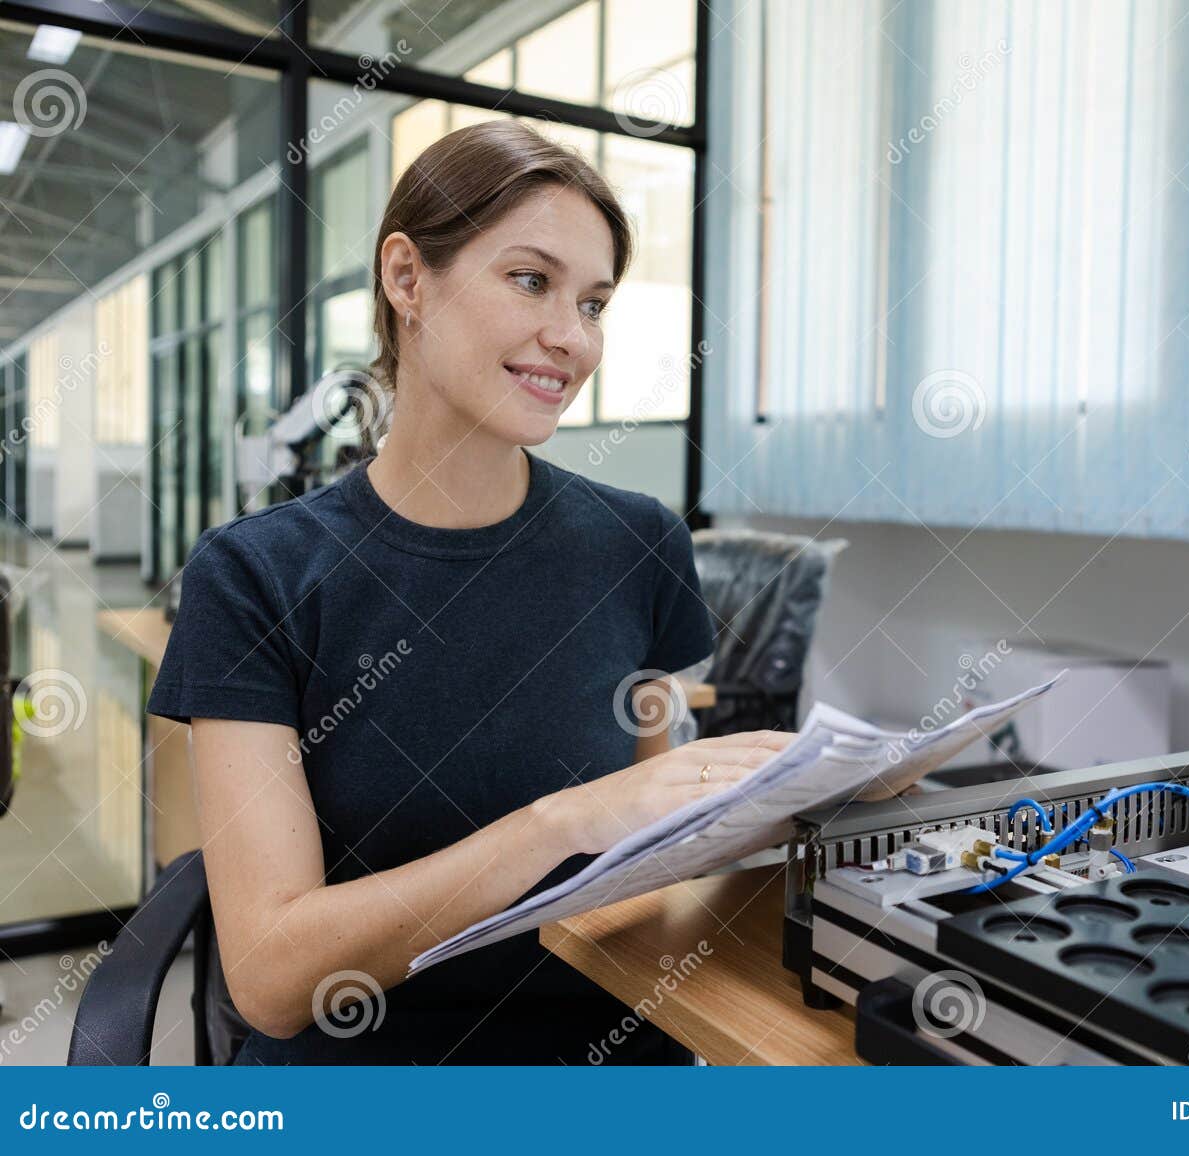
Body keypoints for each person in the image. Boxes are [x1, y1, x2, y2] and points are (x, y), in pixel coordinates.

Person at [148, 120, 789, 1064]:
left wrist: (788, 812)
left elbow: (648, 864)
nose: (571, 339)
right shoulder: (255, 575)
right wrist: (556, 824)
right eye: (531, 281)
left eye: (596, 303)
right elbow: (274, 981)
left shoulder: (638, 540)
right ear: (407, 280)